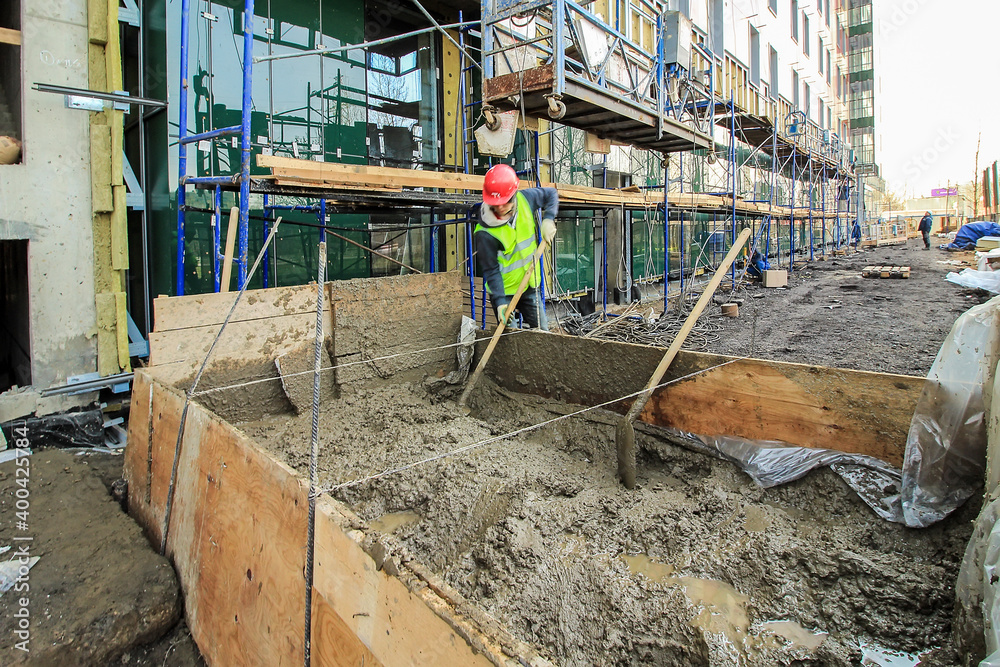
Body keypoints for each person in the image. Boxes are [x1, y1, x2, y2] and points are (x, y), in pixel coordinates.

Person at [475, 164, 558, 330]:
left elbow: (551, 194)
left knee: (544, 337)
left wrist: (548, 219)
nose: (499, 207)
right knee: (511, 341)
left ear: (514, 194)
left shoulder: (526, 200)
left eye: (504, 202)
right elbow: (491, 270)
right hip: (503, 292)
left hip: (529, 284)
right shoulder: (484, 233)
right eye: (495, 203)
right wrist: (499, 303)